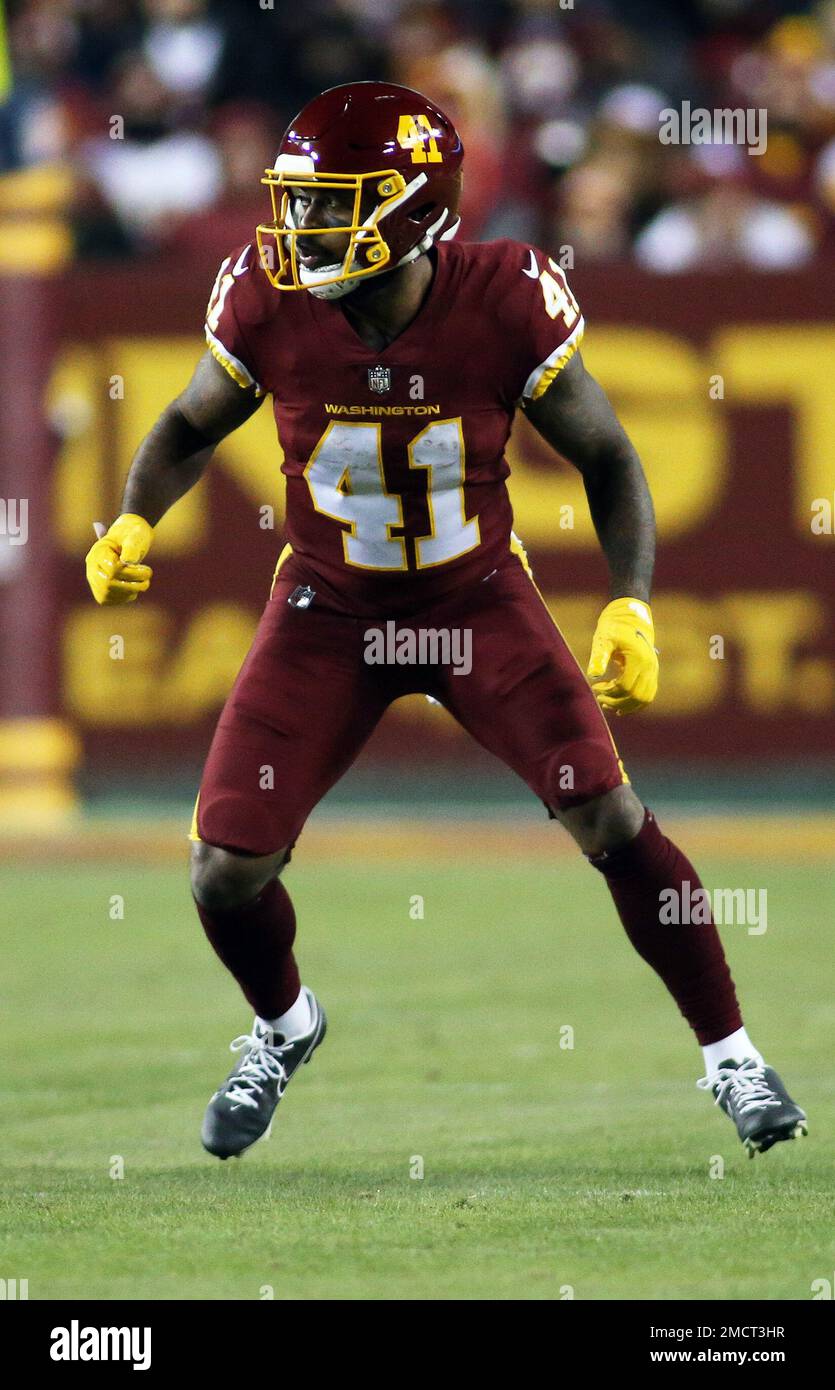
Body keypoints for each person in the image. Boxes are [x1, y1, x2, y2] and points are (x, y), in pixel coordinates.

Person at [85, 81, 807, 1162]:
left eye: (331, 205)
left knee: (607, 814)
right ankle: (283, 1027)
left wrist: (631, 604)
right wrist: (135, 514)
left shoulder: (504, 293)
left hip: (474, 599)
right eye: (302, 202)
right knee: (224, 866)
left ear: (411, 208)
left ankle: (733, 1056)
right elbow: (191, 421)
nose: (303, 227)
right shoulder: (267, 298)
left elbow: (609, 454)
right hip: (325, 606)